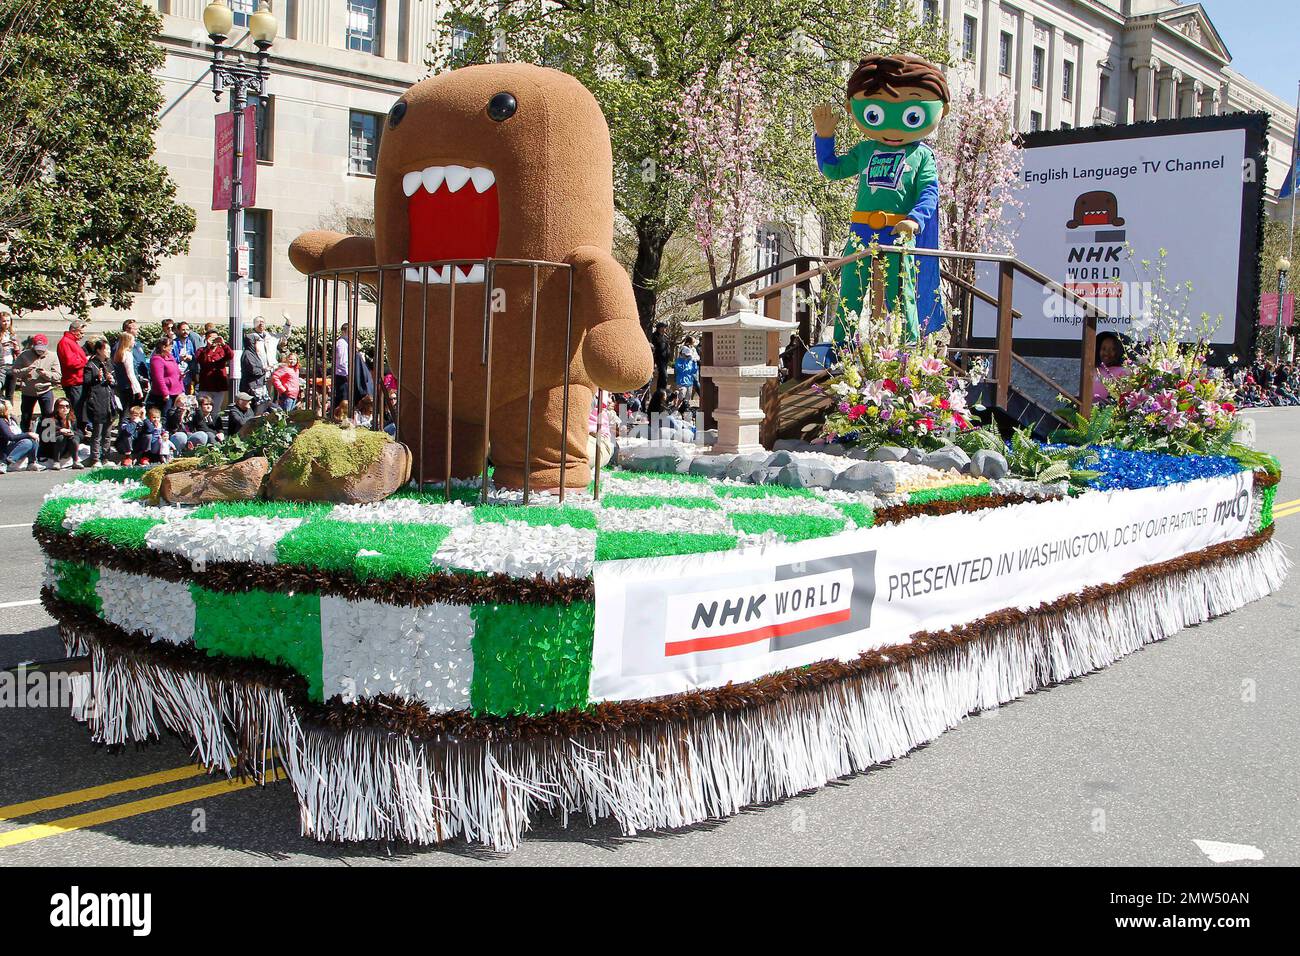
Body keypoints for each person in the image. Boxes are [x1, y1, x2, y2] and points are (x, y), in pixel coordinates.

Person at [813, 54, 949, 341]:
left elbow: (929, 192)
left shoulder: (921, 154)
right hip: (861, 232)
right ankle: (842, 348)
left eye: (912, 116)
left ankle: (907, 351)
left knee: (901, 294)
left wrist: (915, 220)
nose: (893, 127)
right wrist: (824, 138)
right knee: (850, 290)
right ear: (854, 108)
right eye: (876, 114)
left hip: (898, 233)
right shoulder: (865, 150)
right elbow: (833, 169)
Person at [12, 333, 60, 431]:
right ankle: (25, 438)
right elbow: (14, 371)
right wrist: (25, 370)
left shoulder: (53, 356)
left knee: (48, 416)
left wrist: (45, 374)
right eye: (38, 347)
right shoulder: (24, 355)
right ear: (33, 346)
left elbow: (58, 376)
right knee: (26, 417)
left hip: (45, 390)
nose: (40, 350)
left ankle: (48, 440)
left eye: (42, 348)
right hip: (28, 391)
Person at [82, 338, 117, 467]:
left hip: (109, 401)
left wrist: (111, 379)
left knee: (107, 433)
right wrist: (98, 378)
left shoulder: (109, 364)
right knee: (97, 432)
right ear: (98, 350)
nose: (108, 351)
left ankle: (106, 457)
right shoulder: (91, 365)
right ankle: (95, 458)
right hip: (97, 400)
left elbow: (115, 383)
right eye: (105, 349)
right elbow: (86, 382)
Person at [56, 321, 89, 425]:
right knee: (75, 410)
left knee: (79, 409)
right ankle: (75, 431)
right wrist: (85, 361)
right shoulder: (65, 342)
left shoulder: (72, 342)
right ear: (75, 331)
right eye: (81, 332)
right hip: (73, 381)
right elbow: (70, 362)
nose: (83, 335)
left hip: (77, 380)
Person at [0, 398, 44, 473]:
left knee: (33, 440)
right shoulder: (1, 421)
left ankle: (32, 463)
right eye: (9, 407)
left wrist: (30, 435)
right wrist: (28, 434)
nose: (11, 408)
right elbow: (11, 437)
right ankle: (4, 463)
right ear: (4, 409)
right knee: (27, 442)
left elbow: (19, 435)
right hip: (4, 450)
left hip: (14, 446)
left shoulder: (12, 420)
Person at [37, 397, 82, 469]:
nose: (65, 408)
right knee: (60, 437)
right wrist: (60, 431)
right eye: (62, 406)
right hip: (50, 450)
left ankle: (75, 461)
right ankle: (56, 462)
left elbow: (81, 435)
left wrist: (72, 432)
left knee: (74, 438)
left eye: (67, 406)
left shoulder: (72, 419)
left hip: (66, 450)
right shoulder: (49, 420)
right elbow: (45, 438)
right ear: (57, 408)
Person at [112, 330, 146, 420]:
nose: (134, 342)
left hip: (121, 385)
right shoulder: (127, 354)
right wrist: (138, 389)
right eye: (132, 340)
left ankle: (122, 427)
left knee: (124, 410)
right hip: (129, 386)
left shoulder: (117, 354)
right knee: (130, 410)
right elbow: (130, 373)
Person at [196, 331, 234, 411]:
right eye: (211, 338)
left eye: (215, 338)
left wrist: (223, 344)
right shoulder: (201, 350)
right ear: (206, 339)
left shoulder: (222, 350)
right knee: (202, 409)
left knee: (216, 409)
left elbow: (230, 355)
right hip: (206, 385)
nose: (213, 340)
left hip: (219, 385)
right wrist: (209, 348)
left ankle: (214, 423)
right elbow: (202, 361)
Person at [148, 337, 183, 418]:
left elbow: (176, 372)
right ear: (163, 347)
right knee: (165, 415)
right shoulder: (156, 359)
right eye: (170, 346)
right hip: (165, 394)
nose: (171, 348)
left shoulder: (171, 358)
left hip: (176, 392)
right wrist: (165, 393)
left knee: (174, 415)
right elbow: (158, 378)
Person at [1093, 331, 1127, 403]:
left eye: (1113, 349)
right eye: (1103, 349)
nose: (1106, 353)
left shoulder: (1124, 372)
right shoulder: (1093, 370)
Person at [172, 321, 202, 394]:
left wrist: (191, 357)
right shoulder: (173, 343)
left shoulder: (189, 342)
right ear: (178, 330)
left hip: (188, 374)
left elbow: (194, 357)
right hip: (177, 374)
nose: (186, 332)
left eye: (187, 330)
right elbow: (170, 360)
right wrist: (180, 358)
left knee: (187, 395)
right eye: (183, 330)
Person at [241, 331, 269, 408]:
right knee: (254, 409)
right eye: (256, 342)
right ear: (252, 343)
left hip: (258, 386)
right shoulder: (248, 354)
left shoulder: (254, 354)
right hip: (251, 388)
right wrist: (265, 370)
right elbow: (254, 370)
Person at [674, 335, 701, 403]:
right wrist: (691, 358)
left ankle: (685, 408)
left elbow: (696, 358)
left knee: (687, 397)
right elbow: (692, 357)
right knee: (681, 396)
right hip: (682, 380)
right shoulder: (683, 352)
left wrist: (693, 360)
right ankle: (677, 408)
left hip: (689, 380)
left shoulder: (692, 359)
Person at [650, 322, 672, 395]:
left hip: (665, 359)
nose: (665, 329)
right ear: (659, 328)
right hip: (659, 359)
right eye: (664, 327)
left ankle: (661, 391)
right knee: (664, 375)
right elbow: (654, 347)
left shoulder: (665, 336)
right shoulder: (655, 336)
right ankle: (660, 391)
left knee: (663, 377)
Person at [0, 308, 17, 402]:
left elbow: (17, 352)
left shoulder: (12, 334)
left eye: (8, 321)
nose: (6, 323)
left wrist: (16, 347)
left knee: (10, 394)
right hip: (1, 366)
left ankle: (8, 415)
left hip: (11, 365)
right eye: (3, 321)